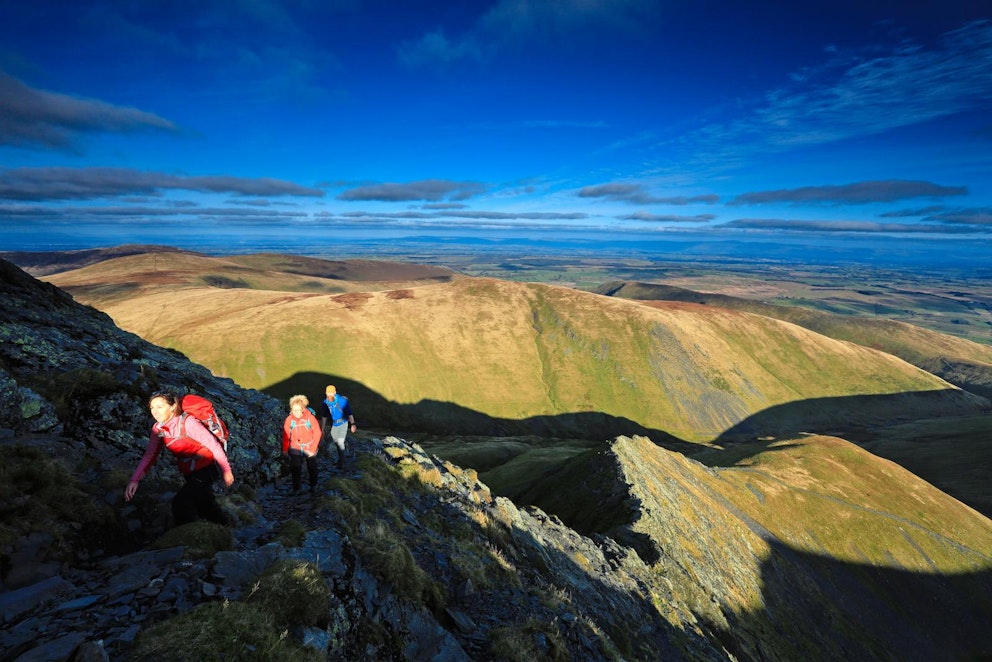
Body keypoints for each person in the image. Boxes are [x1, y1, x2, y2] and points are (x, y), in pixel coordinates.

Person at [125, 392, 235, 526]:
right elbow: (150, 455)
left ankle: (185, 539)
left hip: (207, 468)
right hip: (189, 471)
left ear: (172, 407)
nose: (155, 411)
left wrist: (226, 471)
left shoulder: (188, 423)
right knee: (204, 504)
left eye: (160, 407)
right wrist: (134, 480)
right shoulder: (158, 429)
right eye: (152, 408)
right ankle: (225, 531)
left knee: (181, 503)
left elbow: (213, 445)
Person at [282, 395, 323, 493]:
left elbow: (317, 433)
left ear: (303, 409)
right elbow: (286, 435)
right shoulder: (289, 420)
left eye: (298, 410)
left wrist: (313, 449)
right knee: (295, 468)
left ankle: (313, 485)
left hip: (309, 446)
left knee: (312, 467)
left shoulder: (310, 418)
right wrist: (285, 449)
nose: (295, 412)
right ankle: (296, 488)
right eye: (293, 410)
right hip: (295, 447)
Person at [319, 384, 356, 469]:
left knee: (340, 442)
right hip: (334, 424)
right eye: (328, 394)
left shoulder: (342, 401)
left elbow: (350, 414)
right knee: (336, 441)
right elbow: (324, 416)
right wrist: (323, 428)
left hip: (343, 423)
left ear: (335, 392)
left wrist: (353, 424)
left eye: (331, 393)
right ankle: (341, 456)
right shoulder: (325, 403)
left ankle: (341, 463)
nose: (329, 395)